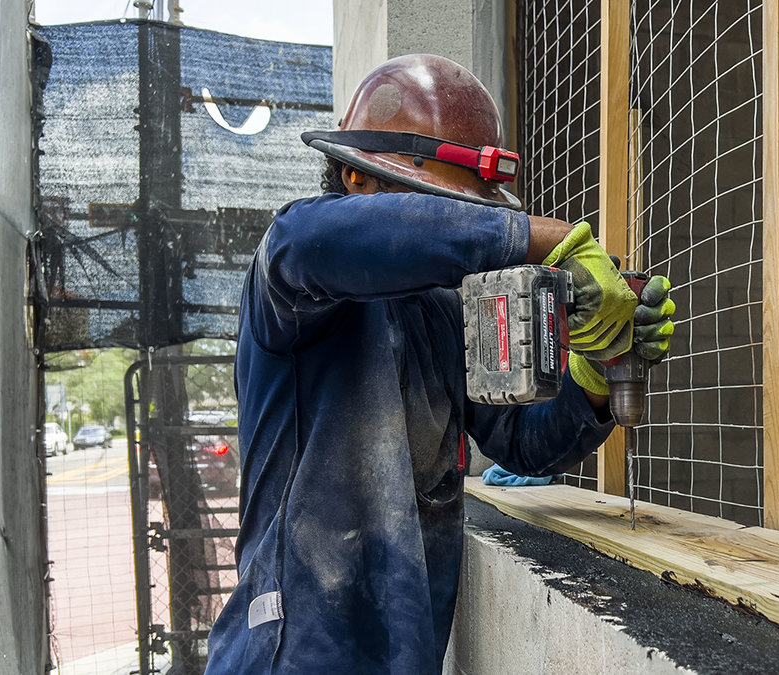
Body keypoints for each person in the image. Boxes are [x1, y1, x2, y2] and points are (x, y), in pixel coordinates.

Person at [205, 54, 675, 674]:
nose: (451, 228)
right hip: (288, 655)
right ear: (357, 181)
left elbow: (523, 444)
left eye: (469, 210)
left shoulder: (441, 313)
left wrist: (594, 375)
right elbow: (314, 240)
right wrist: (545, 239)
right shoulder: (295, 281)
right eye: (437, 203)